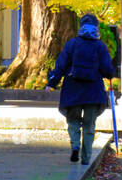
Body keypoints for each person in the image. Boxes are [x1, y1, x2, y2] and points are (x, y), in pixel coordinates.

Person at [47, 12, 115, 165]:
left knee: (73, 121)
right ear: (96, 28)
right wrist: (110, 73)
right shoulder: (100, 46)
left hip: (73, 89)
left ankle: (75, 145)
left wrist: (51, 83)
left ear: (81, 27)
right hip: (93, 91)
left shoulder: (72, 44)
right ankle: (86, 158)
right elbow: (107, 70)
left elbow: (61, 65)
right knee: (89, 125)